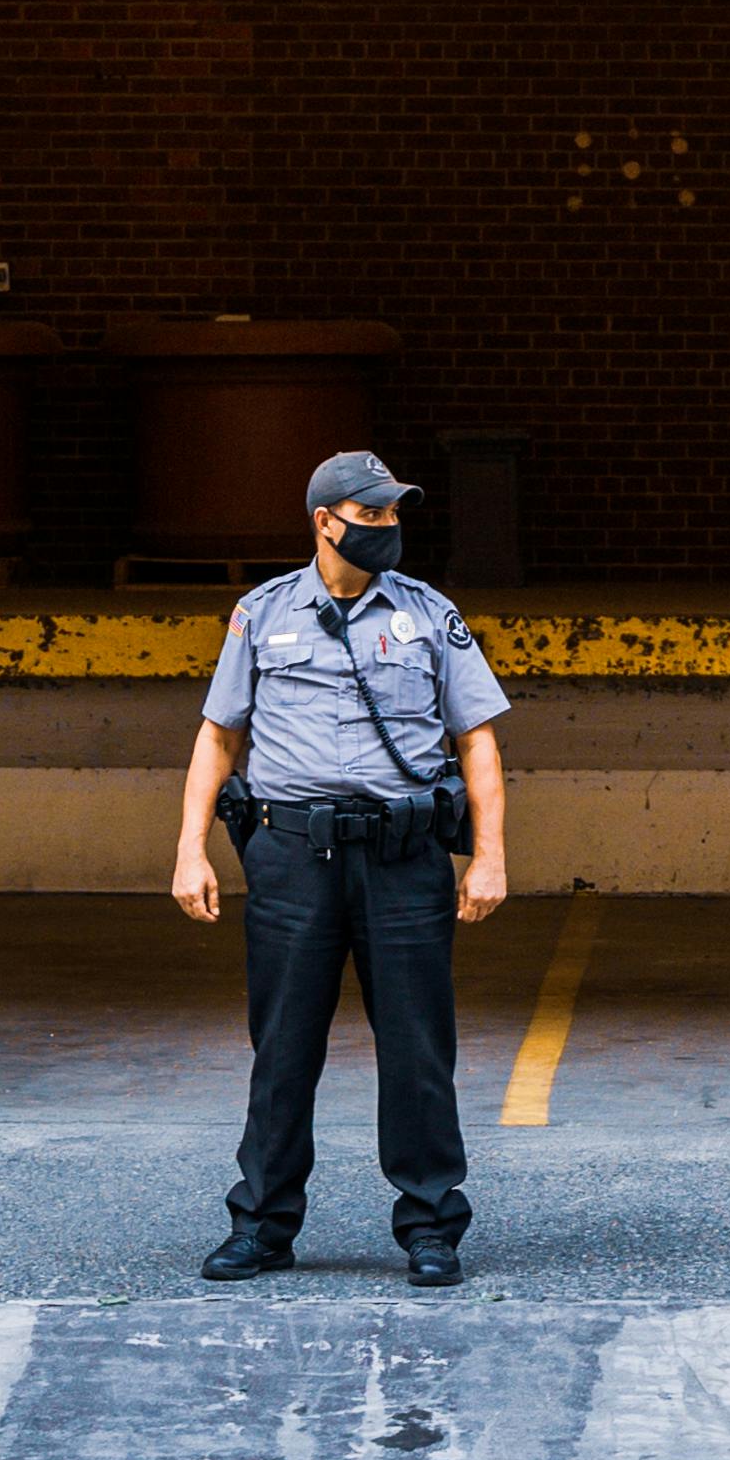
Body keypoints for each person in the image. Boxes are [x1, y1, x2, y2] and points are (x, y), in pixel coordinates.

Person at [172, 447, 510, 1287]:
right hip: (292, 858)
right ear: (324, 521)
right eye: (371, 514)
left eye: (393, 513)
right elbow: (219, 734)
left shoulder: (430, 613)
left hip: (404, 857)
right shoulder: (262, 613)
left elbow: (477, 740)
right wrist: (189, 847)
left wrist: (490, 855)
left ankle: (430, 1225)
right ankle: (262, 1224)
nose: (387, 526)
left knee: (418, 1048)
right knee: (282, 1047)